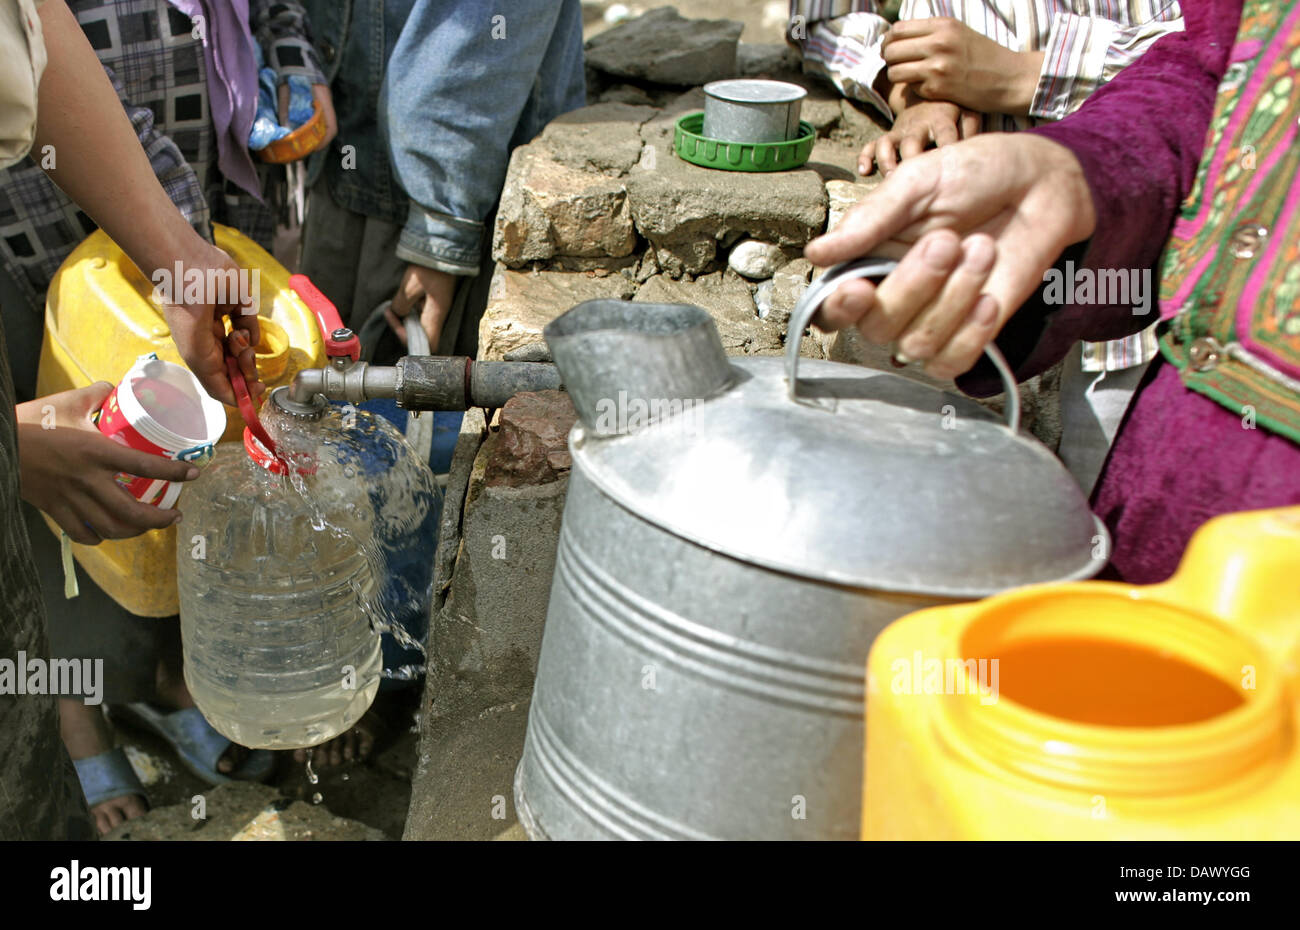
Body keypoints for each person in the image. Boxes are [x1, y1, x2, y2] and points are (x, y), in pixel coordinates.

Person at [804, 0, 1300, 583]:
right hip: (1171, 449)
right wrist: (1083, 163)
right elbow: (1223, 61)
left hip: (1140, 349)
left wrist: (1031, 75)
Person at [1, 0, 337, 836]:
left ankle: (149, 688)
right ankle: (70, 722)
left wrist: (180, 260)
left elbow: (30, 34)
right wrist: (12, 450)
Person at [789, 0, 1185, 493]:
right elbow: (819, 17)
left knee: (1097, 518)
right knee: (901, 496)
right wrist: (908, 86)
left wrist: (1027, 75)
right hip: (959, 245)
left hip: (1139, 287)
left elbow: (1232, 53)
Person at [298, 0, 586, 357]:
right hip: (352, 167)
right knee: (326, 378)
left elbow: (481, 32)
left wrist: (440, 235)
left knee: (408, 390)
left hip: (440, 201)